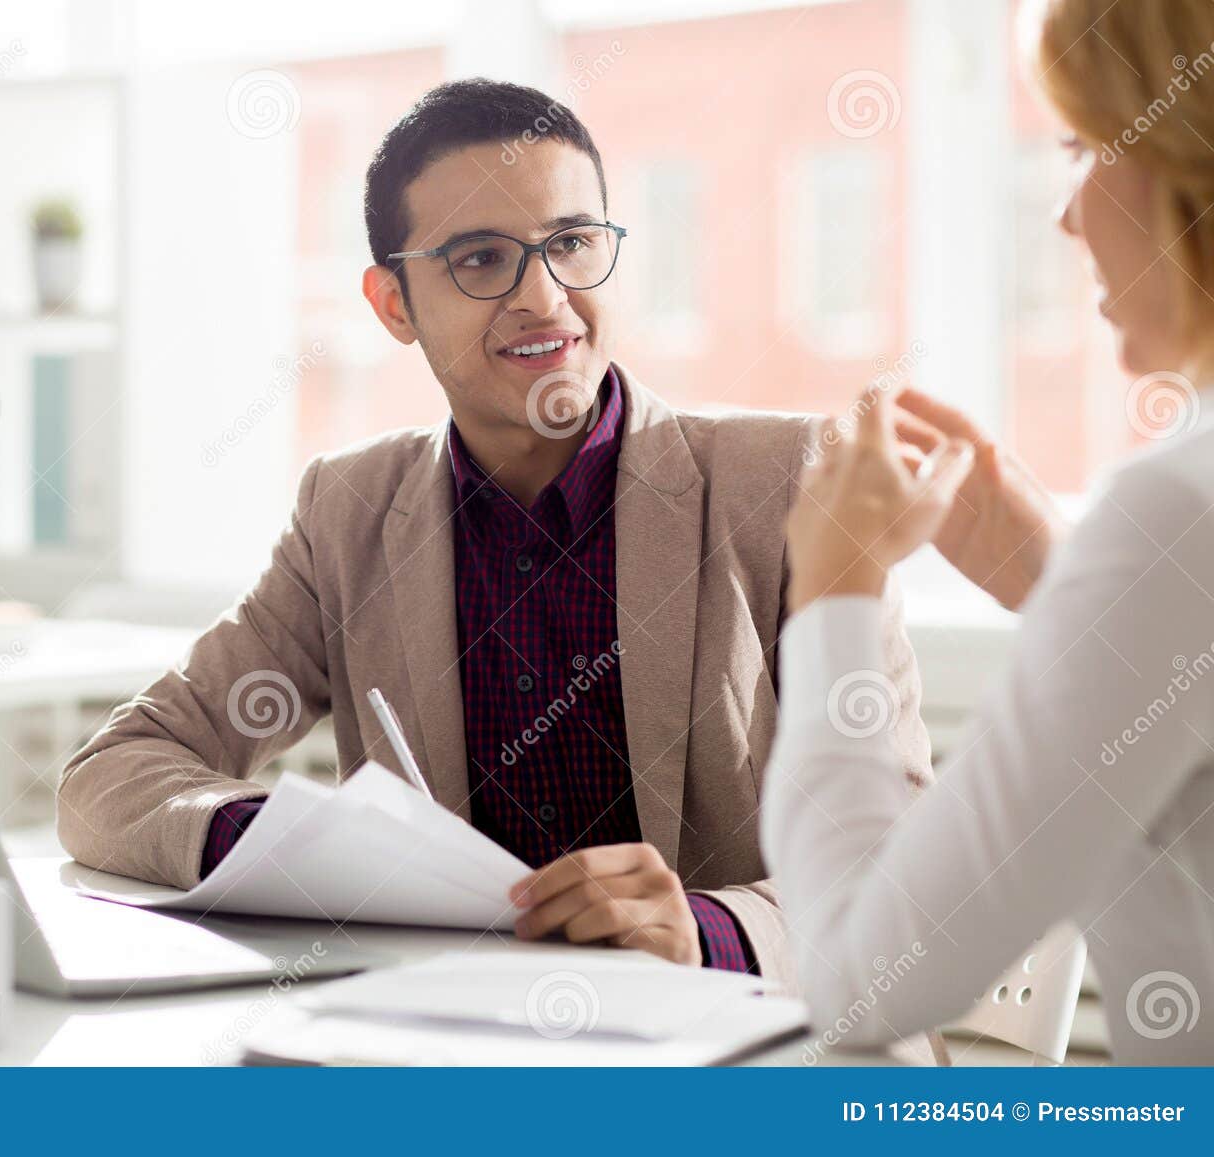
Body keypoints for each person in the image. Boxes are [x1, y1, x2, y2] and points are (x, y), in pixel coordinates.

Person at [59, 78, 933, 979]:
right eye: (481, 259)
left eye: (571, 243)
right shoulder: (350, 513)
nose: (544, 297)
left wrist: (712, 930)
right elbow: (112, 774)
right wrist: (290, 843)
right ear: (394, 303)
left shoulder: (787, 485)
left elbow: (906, 863)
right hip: (466, 1052)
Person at [763, 0, 1214, 1062]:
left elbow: (857, 979)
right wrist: (1063, 584)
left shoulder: (1175, 509)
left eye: (1082, 148)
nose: (1063, 215)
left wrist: (834, 589)